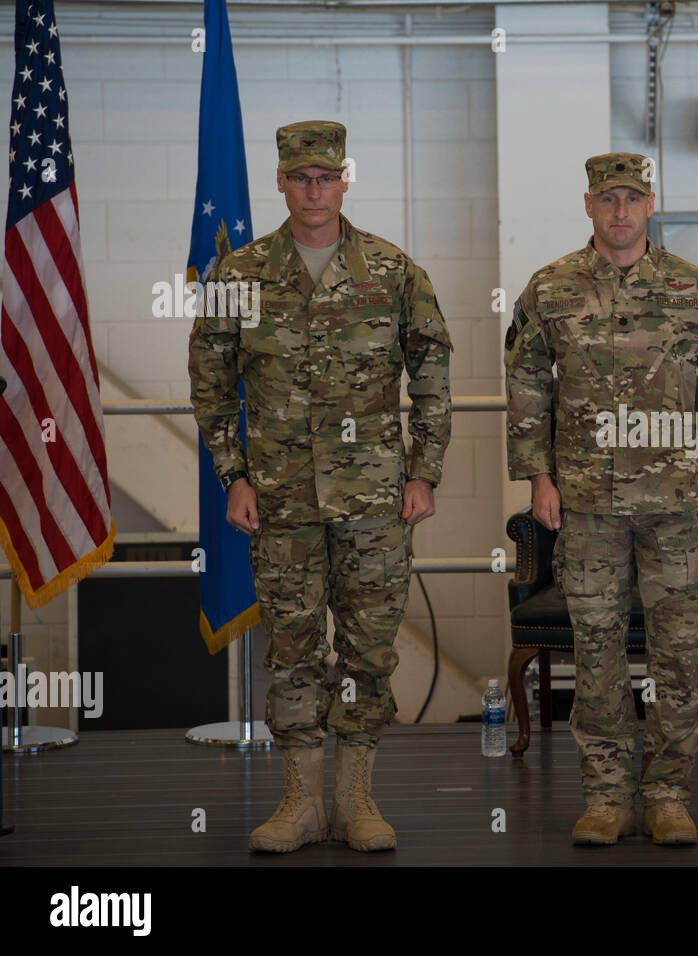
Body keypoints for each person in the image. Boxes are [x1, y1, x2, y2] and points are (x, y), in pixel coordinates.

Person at [189, 121, 452, 854]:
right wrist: (233, 477)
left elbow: (432, 376)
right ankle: (301, 802)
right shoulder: (239, 276)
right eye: (301, 177)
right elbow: (211, 388)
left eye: (326, 178)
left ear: (344, 181)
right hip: (279, 500)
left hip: (374, 498)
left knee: (369, 650)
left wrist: (425, 470)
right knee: (294, 649)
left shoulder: (392, 271)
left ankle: (356, 800)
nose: (314, 190)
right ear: (280, 181)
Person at [505, 153, 698, 846]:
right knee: (599, 651)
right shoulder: (550, 289)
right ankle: (607, 795)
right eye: (607, 199)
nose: (620, 212)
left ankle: (669, 794)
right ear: (587, 205)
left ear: (649, 204)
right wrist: (538, 477)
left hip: (676, 503)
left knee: (676, 652)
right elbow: (527, 389)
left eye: (632, 199)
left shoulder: (692, 289)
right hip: (586, 503)